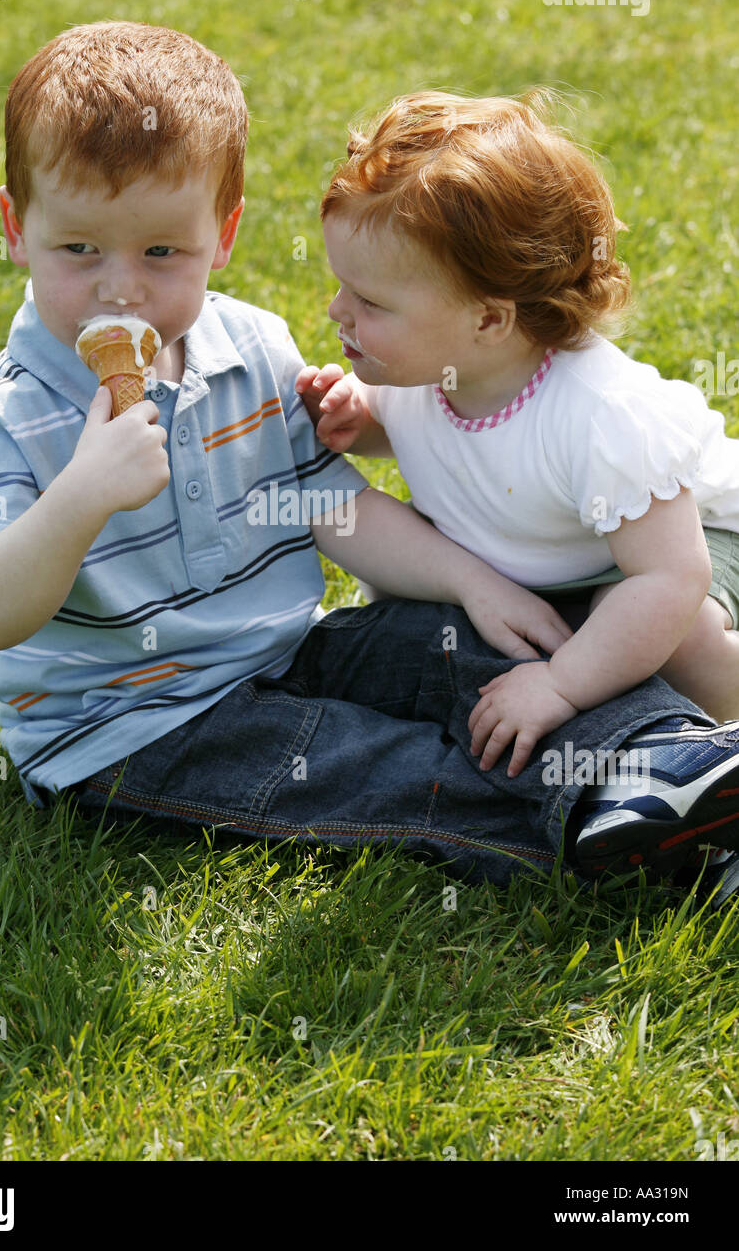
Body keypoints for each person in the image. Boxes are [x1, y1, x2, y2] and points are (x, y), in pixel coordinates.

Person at [0, 26, 739, 892]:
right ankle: (627, 832)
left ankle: (674, 753)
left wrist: (471, 581)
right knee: (366, 767)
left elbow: (326, 502)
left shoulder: (247, 345)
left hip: (288, 649)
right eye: (78, 249)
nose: (120, 286)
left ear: (224, 234)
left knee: (462, 647)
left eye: (162, 251)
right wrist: (79, 499)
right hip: (137, 726)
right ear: (16, 228)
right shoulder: (4, 416)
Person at [296, 90, 739, 878]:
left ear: (490, 321)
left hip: (685, 543)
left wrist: (561, 686)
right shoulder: (421, 366)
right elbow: (409, 432)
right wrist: (352, 420)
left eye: (369, 301)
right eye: (342, 287)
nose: (338, 311)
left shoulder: (600, 418)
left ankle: (718, 747)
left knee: (677, 636)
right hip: (549, 561)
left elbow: (671, 578)